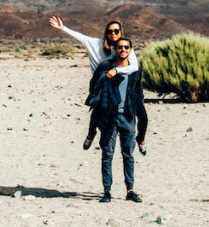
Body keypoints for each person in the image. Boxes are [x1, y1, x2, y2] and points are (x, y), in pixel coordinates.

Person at [49, 16, 148, 155]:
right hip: (103, 85)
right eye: (110, 31)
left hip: (127, 86)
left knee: (142, 115)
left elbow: (135, 67)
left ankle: (141, 140)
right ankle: (90, 135)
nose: (113, 34)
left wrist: (116, 70)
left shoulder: (124, 47)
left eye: (116, 31)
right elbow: (81, 37)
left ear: (121, 32)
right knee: (96, 111)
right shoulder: (96, 44)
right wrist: (63, 28)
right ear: (106, 33)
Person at [87, 38, 143, 203]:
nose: (123, 50)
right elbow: (93, 85)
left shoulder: (134, 69)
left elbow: (138, 89)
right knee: (107, 154)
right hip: (108, 116)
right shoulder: (105, 66)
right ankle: (107, 191)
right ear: (115, 49)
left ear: (130, 49)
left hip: (127, 116)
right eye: (120, 47)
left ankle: (130, 190)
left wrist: (137, 107)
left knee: (128, 155)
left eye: (126, 47)